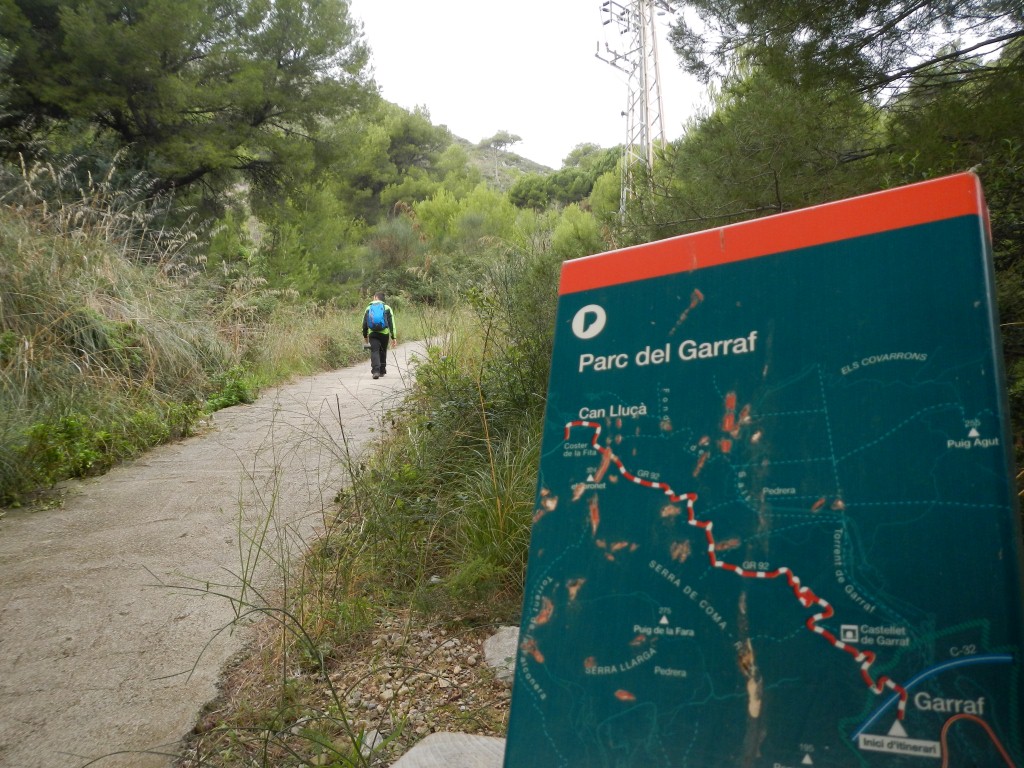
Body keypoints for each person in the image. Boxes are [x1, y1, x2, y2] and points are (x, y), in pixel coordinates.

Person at [361, 291, 396, 379]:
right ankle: (382, 371)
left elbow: (364, 324)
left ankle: (375, 371)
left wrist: (365, 336)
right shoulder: (387, 308)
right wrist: (394, 337)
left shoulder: (368, 308)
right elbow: (392, 324)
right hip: (384, 333)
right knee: (383, 351)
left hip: (372, 333)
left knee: (374, 351)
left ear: (376, 297)